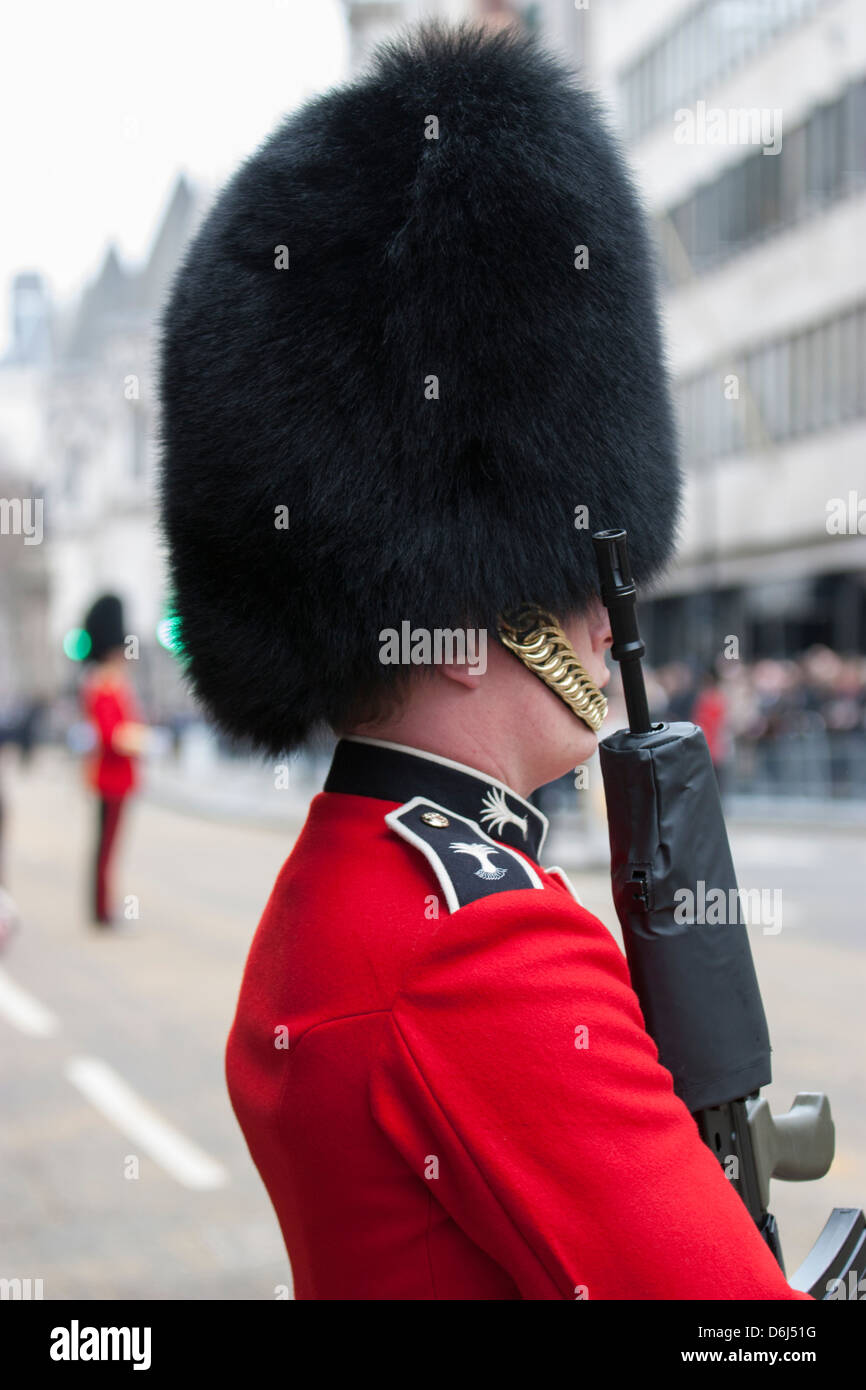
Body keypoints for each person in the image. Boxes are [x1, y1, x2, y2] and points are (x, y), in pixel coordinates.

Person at [158, 24, 810, 1299]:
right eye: (569, 580)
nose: (602, 621)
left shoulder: (339, 881)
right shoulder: (475, 950)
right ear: (458, 625)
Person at [80, 595, 146, 927]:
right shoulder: (104, 685)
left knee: (108, 847)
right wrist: (138, 739)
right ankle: (101, 910)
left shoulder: (112, 682)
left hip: (116, 778)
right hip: (110, 777)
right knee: (105, 847)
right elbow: (111, 735)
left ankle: (103, 906)